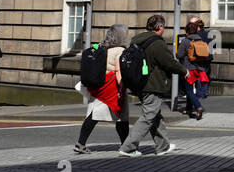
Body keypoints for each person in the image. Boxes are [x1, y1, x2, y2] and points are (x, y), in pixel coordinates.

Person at [118, 14, 188, 157]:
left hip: (139, 83)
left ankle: (163, 146)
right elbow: (169, 62)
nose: (164, 29)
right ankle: (128, 148)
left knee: (155, 115)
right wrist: (184, 71)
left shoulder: (138, 40)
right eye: (164, 27)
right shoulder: (156, 43)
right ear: (160, 27)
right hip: (152, 85)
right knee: (148, 116)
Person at [73, 24, 130, 153]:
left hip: (99, 86)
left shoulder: (101, 47)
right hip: (112, 88)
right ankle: (125, 146)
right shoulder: (120, 50)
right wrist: (123, 88)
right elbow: (118, 71)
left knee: (93, 116)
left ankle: (80, 143)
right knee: (122, 118)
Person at [175, 16, 212, 120]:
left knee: (189, 91)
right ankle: (188, 108)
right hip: (198, 69)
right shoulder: (200, 40)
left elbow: (179, 55)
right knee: (190, 89)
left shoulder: (186, 41)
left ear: (187, 31)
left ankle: (198, 107)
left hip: (188, 69)